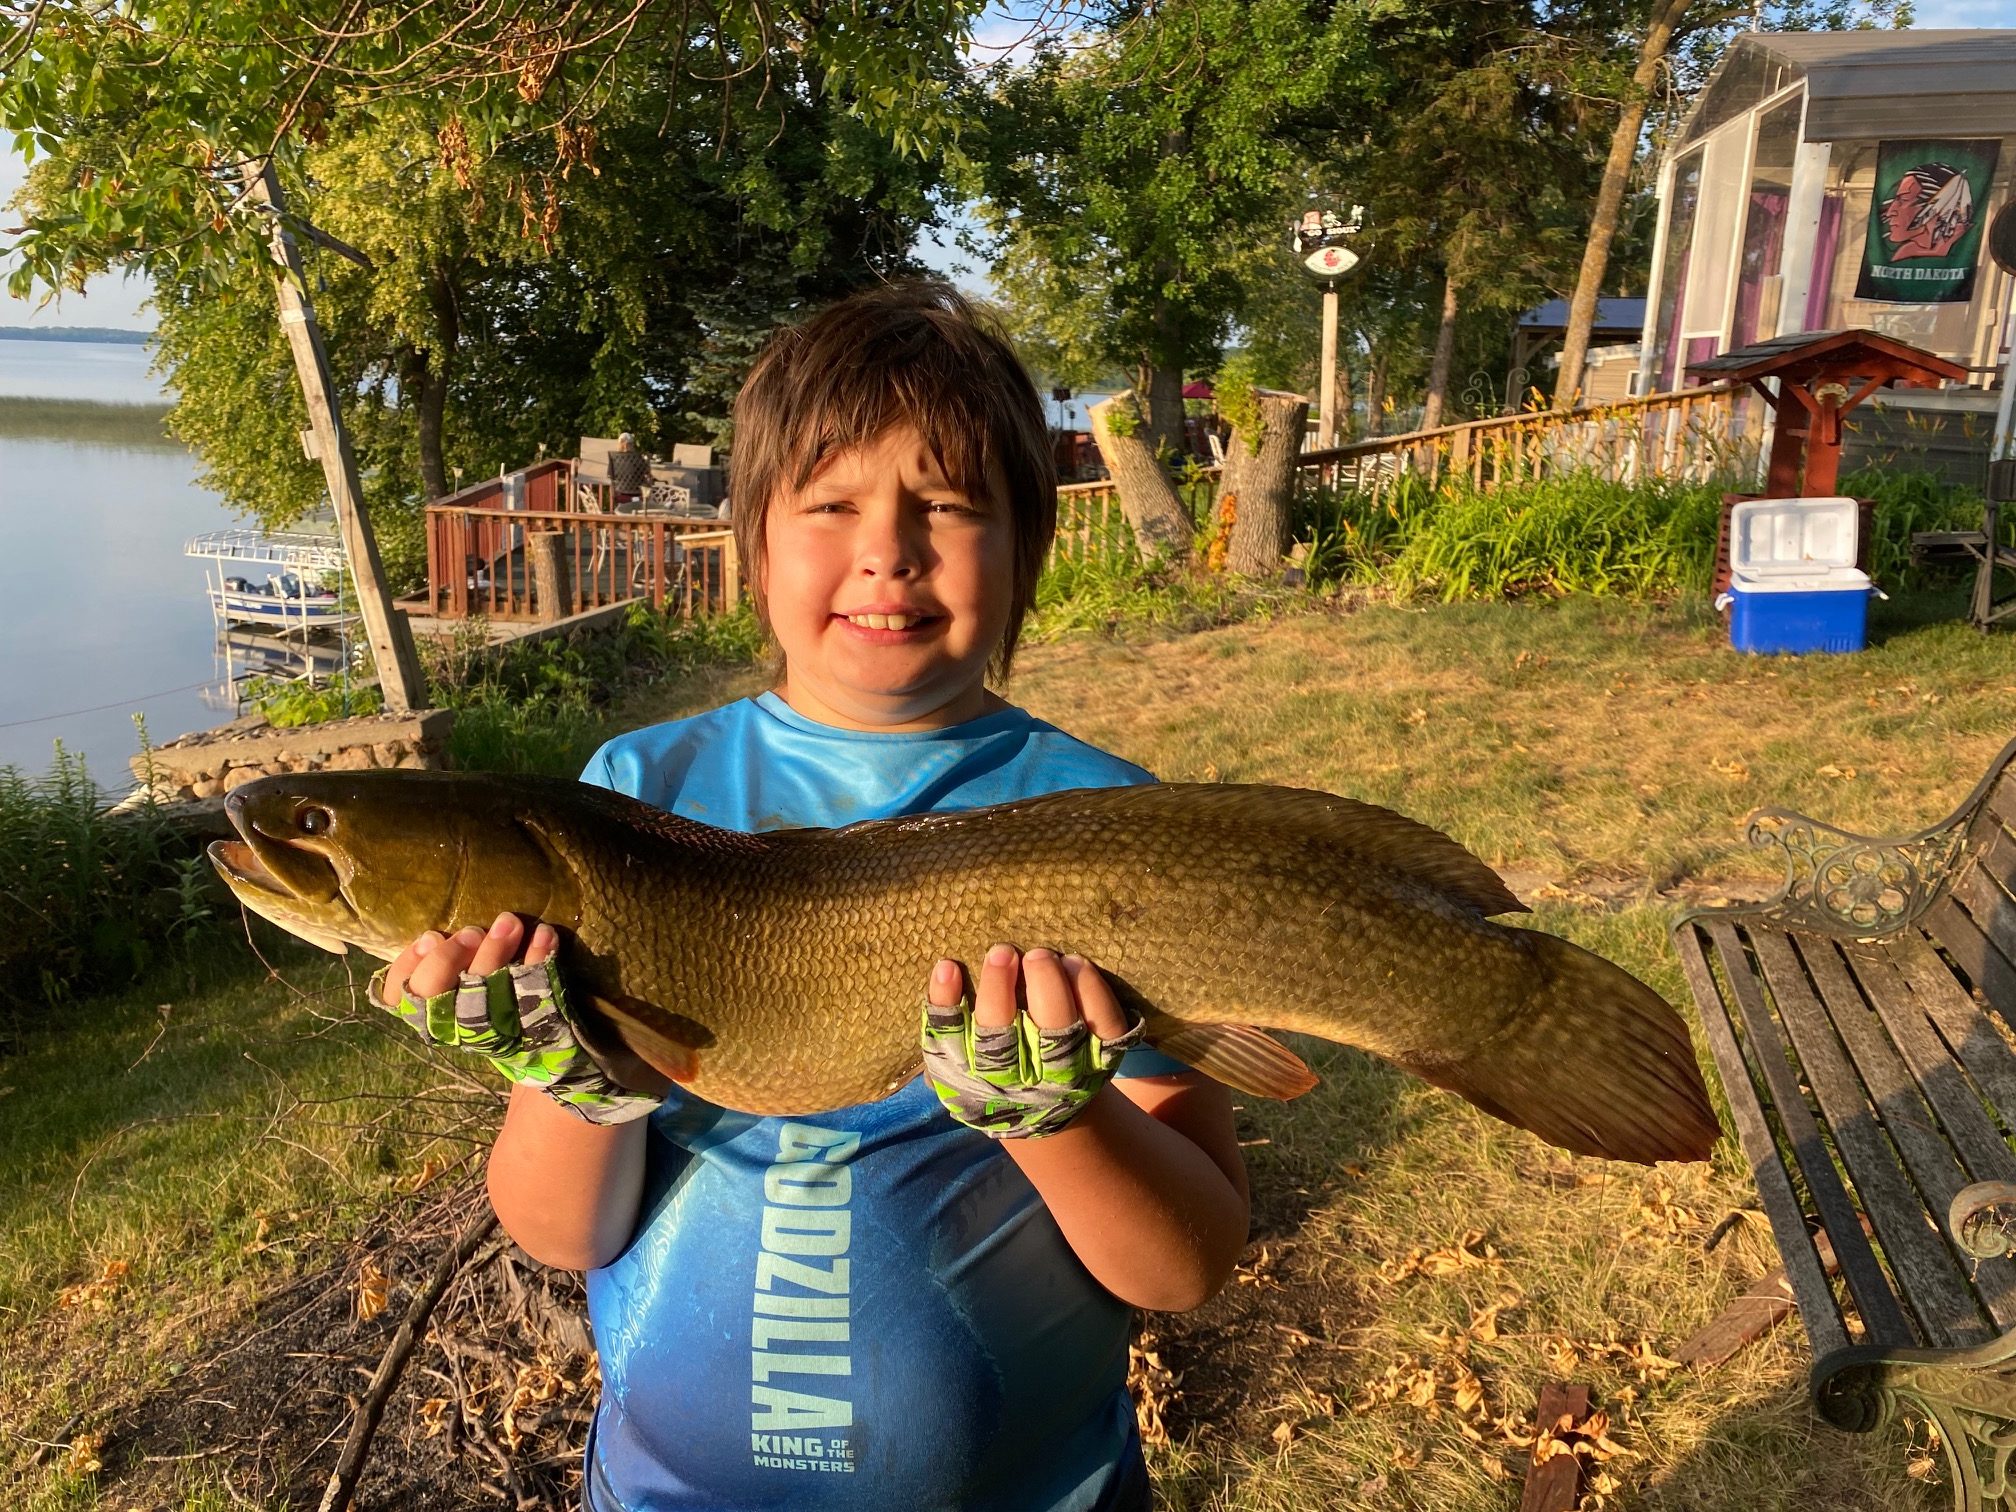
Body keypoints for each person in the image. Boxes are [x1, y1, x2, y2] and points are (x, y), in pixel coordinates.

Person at [370, 282, 1250, 1512]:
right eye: (832, 505)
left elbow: (1188, 1265)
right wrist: (572, 1079)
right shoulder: (633, 795)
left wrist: (1062, 1119)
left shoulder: (1104, 827)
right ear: (755, 542)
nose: (888, 549)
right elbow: (567, 1238)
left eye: (946, 505)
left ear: (1028, 549)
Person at [609, 431, 654, 505]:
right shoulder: (638, 458)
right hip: (638, 495)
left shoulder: (614, 458)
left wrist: (613, 494)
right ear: (631, 444)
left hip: (620, 496)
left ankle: (629, 502)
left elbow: (611, 477)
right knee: (649, 487)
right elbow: (647, 473)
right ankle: (637, 501)